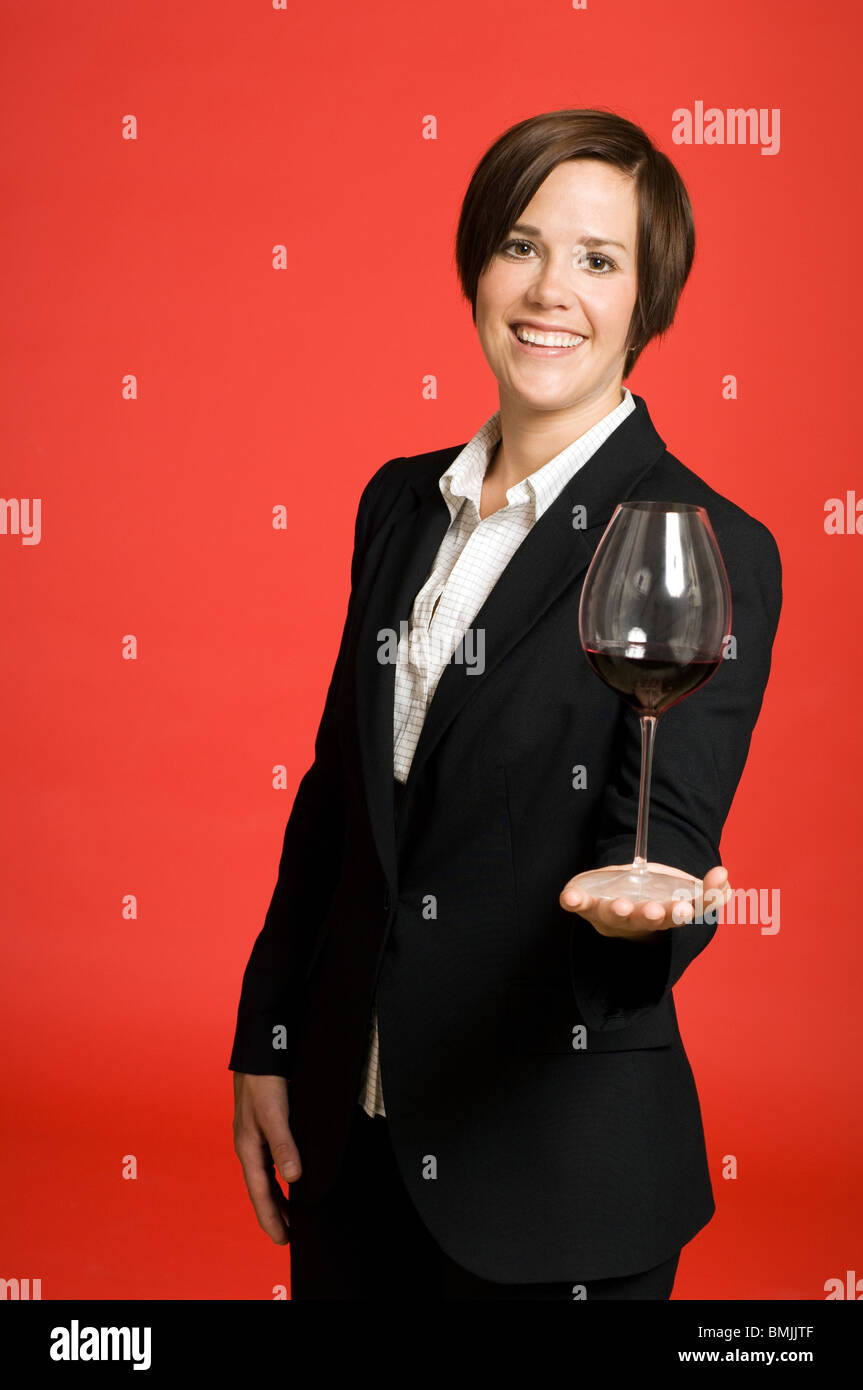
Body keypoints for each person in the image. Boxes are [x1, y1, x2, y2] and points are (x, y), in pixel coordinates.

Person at [229, 108, 782, 1300]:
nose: (549, 290)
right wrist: (268, 1038)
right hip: (353, 1144)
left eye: (597, 259)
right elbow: (336, 800)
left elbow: (660, 854)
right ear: (477, 263)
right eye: (520, 245)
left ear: (649, 300)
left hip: (554, 1184)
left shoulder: (708, 546)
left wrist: (650, 924)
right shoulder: (396, 506)